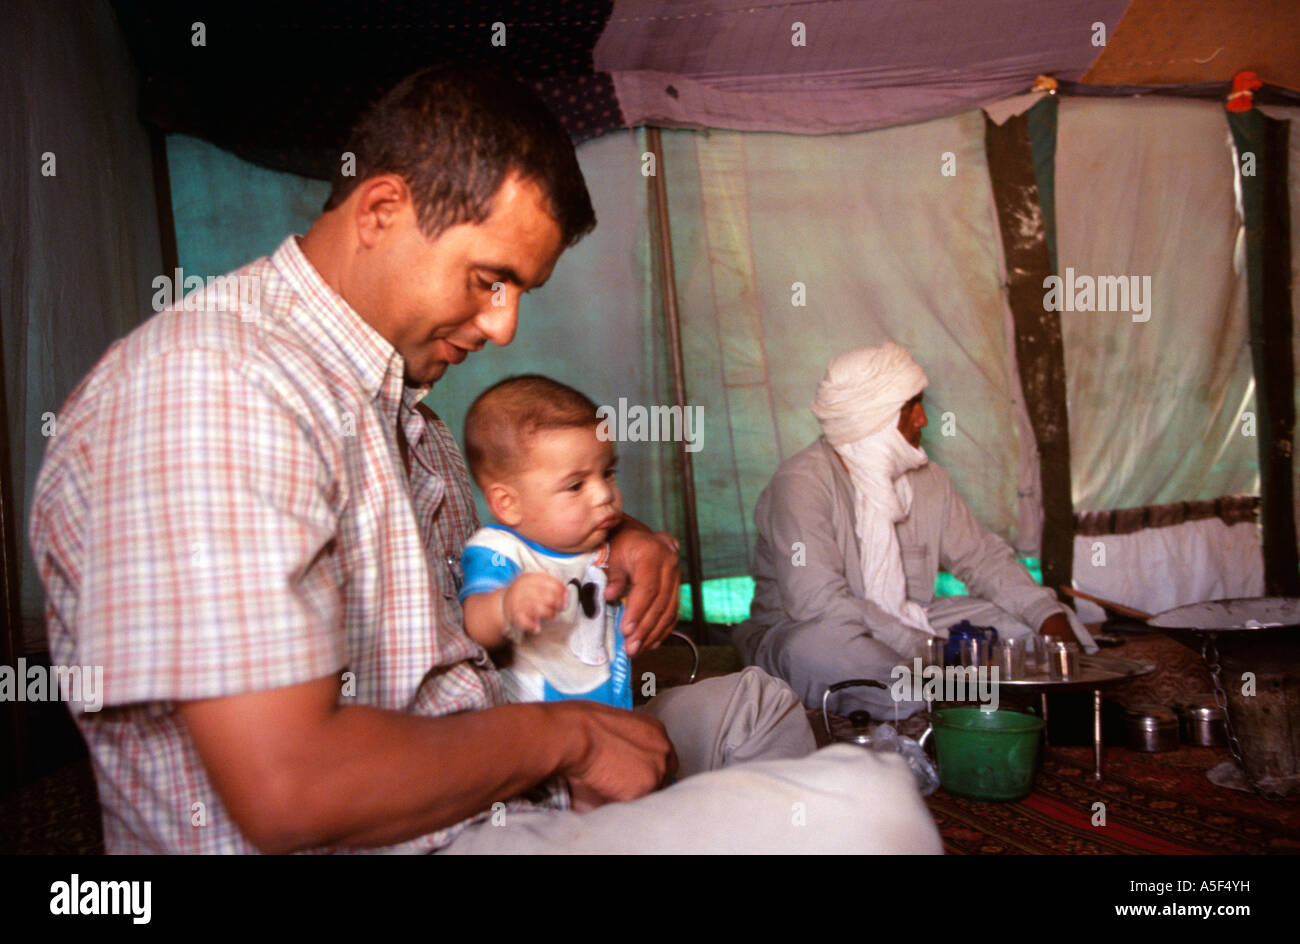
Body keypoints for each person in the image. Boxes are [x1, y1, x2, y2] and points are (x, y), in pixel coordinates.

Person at [29, 65, 942, 853]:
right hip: (423, 835)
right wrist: (564, 740)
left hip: (491, 785)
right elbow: (288, 788)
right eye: (488, 279)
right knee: (874, 809)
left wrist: (621, 532)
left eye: (520, 292)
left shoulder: (393, 411)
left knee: (751, 703)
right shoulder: (216, 389)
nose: (504, 325)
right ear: (383, 208)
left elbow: (485, 588)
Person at [732, 342, 1093, 719]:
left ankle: (1015, 696)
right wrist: (926, 648)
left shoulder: (928, 479)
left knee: (1028, 626)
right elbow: (816, 604)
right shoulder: (801, 483)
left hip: (912, 622)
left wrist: (1046, 617)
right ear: (875, 417)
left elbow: (981, 558)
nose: (922, 419)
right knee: (822, 650)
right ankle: (953, 702)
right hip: (810, 632)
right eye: (910, 407)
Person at [459, 375, 631, 708]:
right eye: (575, 486)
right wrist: (505, 605)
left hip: (610, 698)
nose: (604, 493)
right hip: (539, 714)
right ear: (509, 504)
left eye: (608, 472)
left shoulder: (602, 543)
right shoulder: (500, 550)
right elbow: (473, 624)